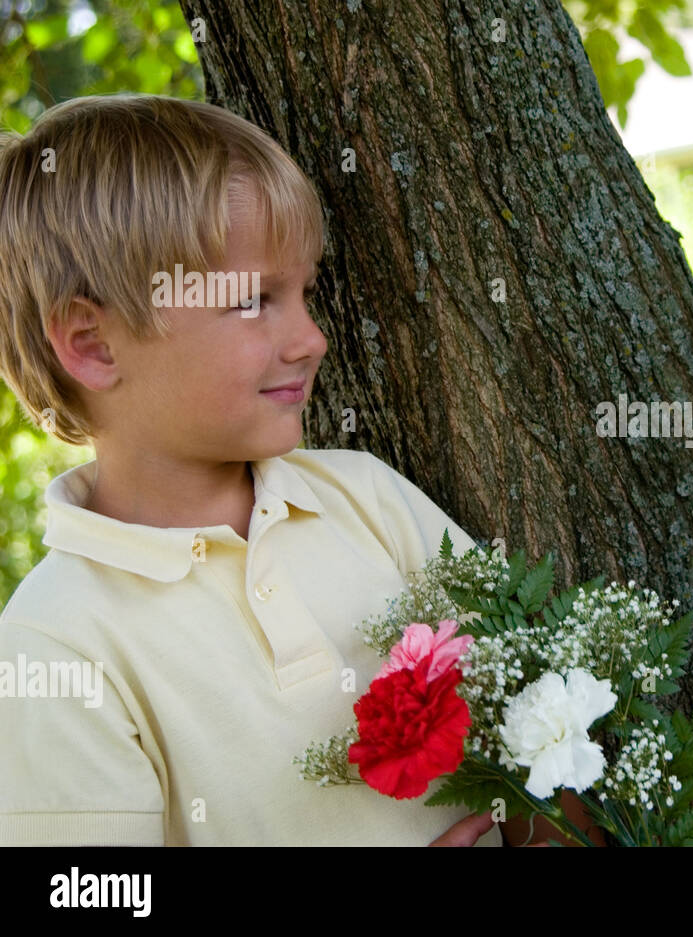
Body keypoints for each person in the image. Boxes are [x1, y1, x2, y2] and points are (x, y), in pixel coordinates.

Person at [0, 93, 507, 845]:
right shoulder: (57, 641)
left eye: (305, 292)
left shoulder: (367, 497)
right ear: (94, 345)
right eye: (253, 300)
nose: (311, 338)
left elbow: (541, 718)